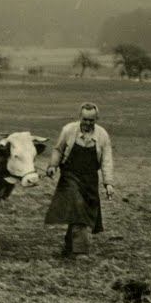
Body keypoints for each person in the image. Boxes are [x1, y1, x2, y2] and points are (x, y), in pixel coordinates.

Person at [43, 102, 115, 257]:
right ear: (79, 117)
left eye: (92, 120)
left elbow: (106, 160)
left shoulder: (102, 135)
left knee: (80, 212)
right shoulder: (68, 130)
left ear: (96, 119)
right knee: (79, 209)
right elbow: (58, 149)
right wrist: (52, 165)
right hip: (70, 176)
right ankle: (80, 251)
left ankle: (69, 247)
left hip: (90, 180)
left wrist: (108, 182)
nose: (88, 123)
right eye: (85, 120)